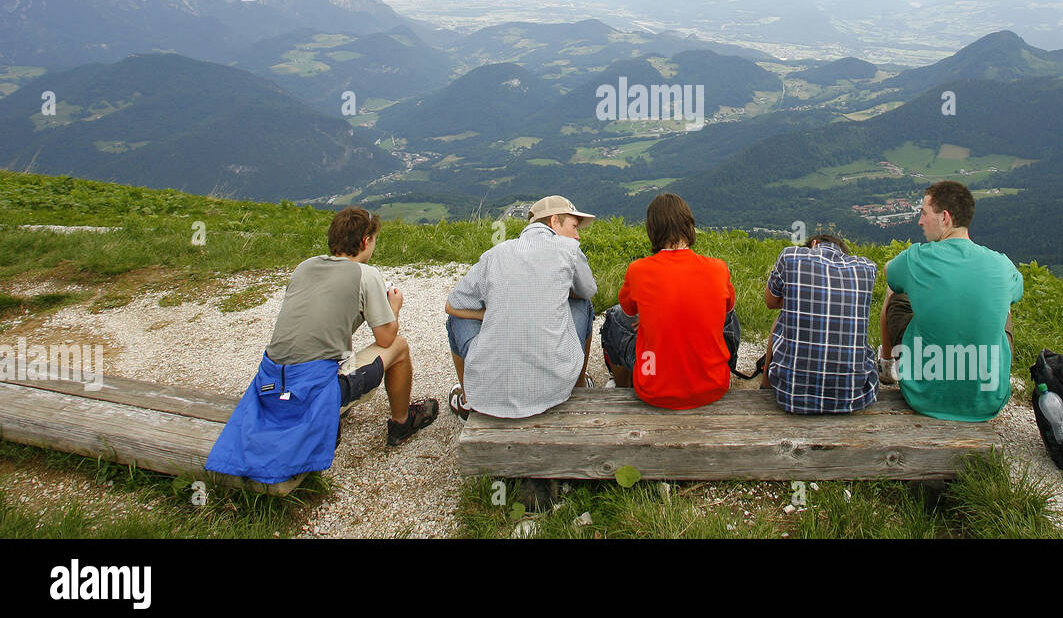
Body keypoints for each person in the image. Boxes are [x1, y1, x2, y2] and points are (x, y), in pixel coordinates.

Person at [206, 207, 436, 484]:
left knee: (327, 353)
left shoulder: (305, 267)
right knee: (398, 346)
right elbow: (385, 339)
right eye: (373, 240)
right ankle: (402, 423)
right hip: (311, 392)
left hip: (270, 383)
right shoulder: (365, 274)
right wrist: (393, 308)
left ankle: (340, 410)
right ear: (365, 241)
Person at [879, 180, 1022, 422]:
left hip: (923, 396)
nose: (920, 221)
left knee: (895, 293)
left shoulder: (916, 259)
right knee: (1004, 305)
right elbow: (1016, 293)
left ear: (945, 218)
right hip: (987, 401)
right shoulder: (1002, 264)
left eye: (924, 213)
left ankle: (886, 365)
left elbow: (888, 271)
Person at [444, 195, 598, 420]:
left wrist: (487, 314)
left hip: (490, 390)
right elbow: (587, 291)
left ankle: (468, 400)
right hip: (556, 388)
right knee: (583, 305)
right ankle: (579, 385)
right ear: (554, 221)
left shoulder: (495, 254)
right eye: (574, 226)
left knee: (455, 320)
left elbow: (452, 304)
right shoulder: (569, 249)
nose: (577, 235)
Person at [601, 193, 740, 410]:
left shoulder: (638, 270)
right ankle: (723, 368)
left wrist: (650, 317)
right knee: (729, 314)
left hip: (653, 389)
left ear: (652, 230)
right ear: (689, 226)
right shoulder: (718, 268)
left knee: (614, 316)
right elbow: (727, 309)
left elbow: (628, 314)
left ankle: (621, 384)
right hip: (713, 388)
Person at [758, 233, 879, 414]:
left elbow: (771, 302)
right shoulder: (867, 268)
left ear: (814, 244)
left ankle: (766, 384)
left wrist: (797, 297)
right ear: (843, 252)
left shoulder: (790, 256)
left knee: (780, 319)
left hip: (791, 395)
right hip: (854, 396)